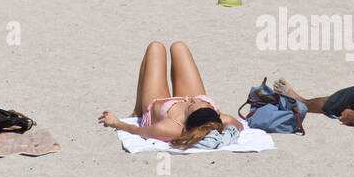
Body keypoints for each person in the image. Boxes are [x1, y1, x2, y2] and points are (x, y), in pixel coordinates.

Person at [99, 42, 245, 148]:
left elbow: (137, 131)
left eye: (191, 104)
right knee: (179, 47)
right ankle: (201, 106)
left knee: (155, 48)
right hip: (199, 117)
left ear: (186, 120)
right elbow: (239, 126)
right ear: (216, 112)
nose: (191, 99)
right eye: (204, 103)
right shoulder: (222, 119)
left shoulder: (169, 128)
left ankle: (138, 110)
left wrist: (116, 123)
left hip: (159, 103)